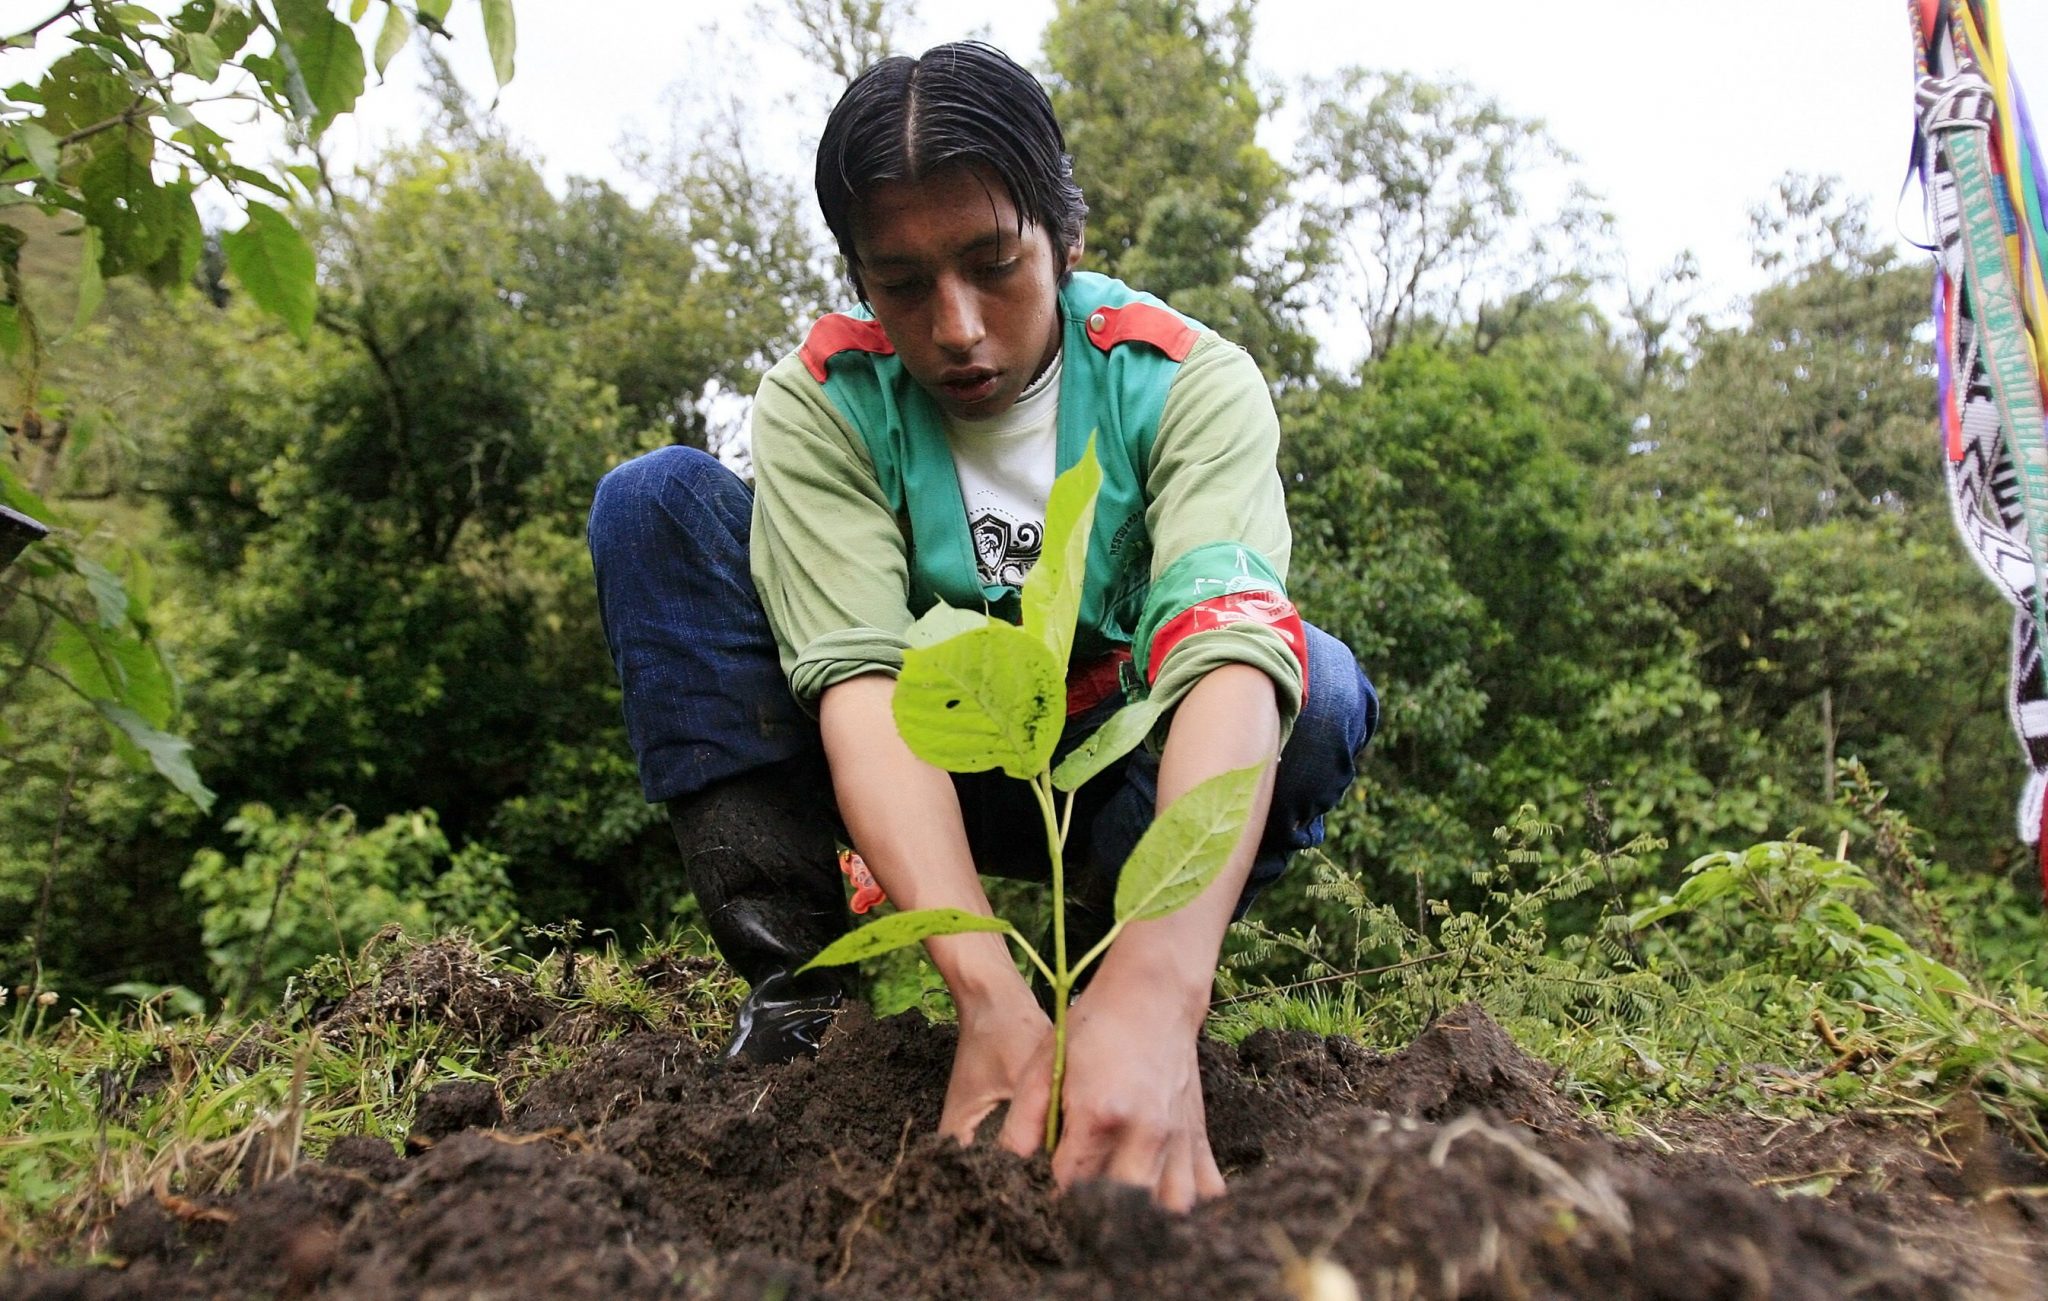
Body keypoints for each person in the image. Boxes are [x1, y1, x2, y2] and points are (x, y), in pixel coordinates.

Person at [587, 41, 1377, 1212]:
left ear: (1066, 237)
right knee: (654, 503)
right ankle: (804, 1002)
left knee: (1310, 685)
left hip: (1112, 772)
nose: (955, 325)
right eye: (901, 283)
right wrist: (980, 989)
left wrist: (1160, 989)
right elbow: (860, 687)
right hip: (915, 764)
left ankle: (1103, 996)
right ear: (858, 278)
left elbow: (1224, 651)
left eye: (993, 265)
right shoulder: (823, 402)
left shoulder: (1182, 380)